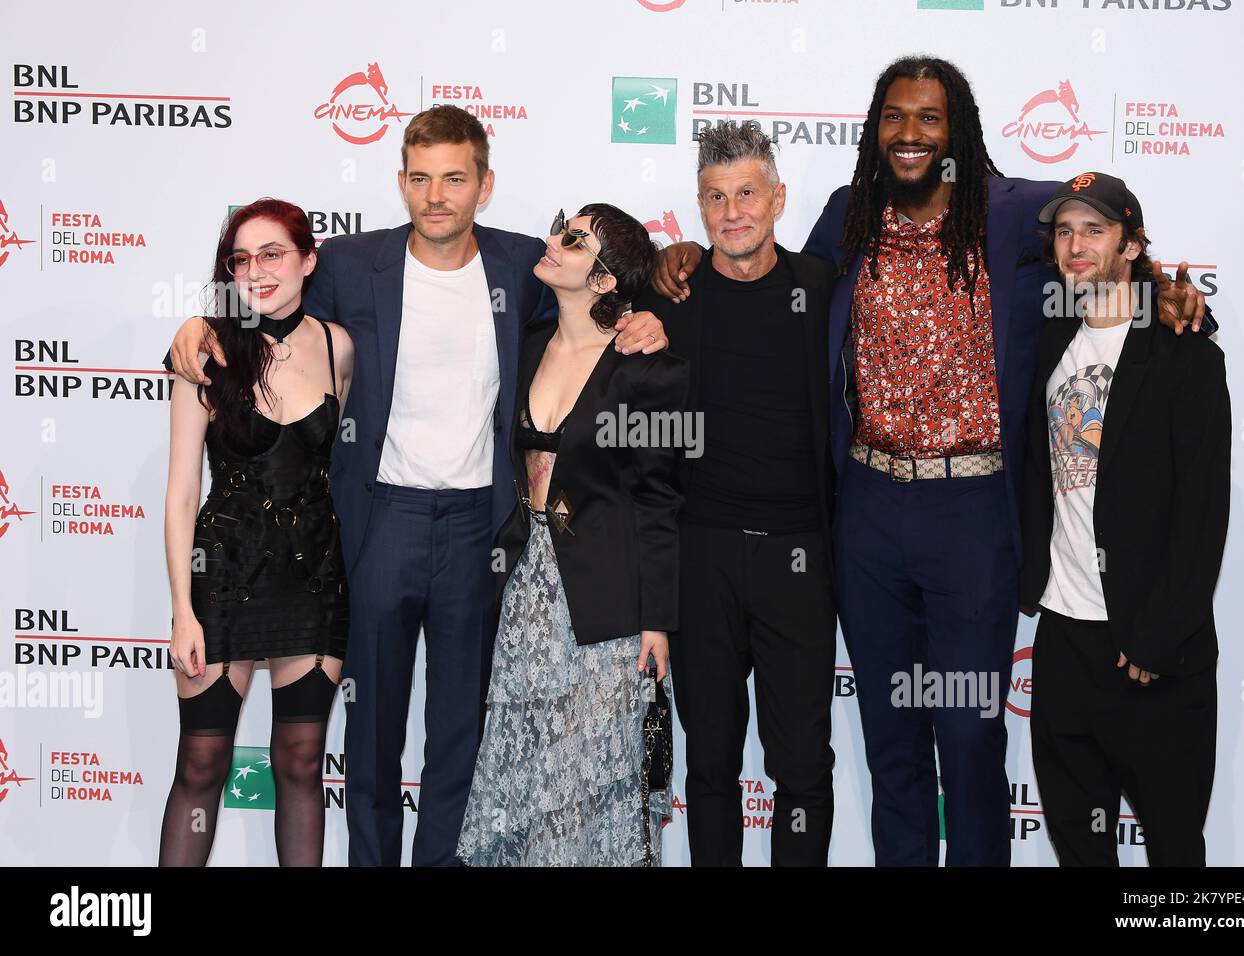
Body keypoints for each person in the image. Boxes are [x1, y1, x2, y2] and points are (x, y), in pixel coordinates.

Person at [653, 57, 1213, 866]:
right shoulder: (850, 213)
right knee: (892, 747)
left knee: (970, 744)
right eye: (893, 116)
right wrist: (683, 257)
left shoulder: (1016, 210)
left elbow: (1092, 243)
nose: (909, 134)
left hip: (973, 514)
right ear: (875, 129)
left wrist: (1159, 287)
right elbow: (772, 280)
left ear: (959, 130)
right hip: (870, 512)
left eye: (928, 117)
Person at [164, 107, 668, 866]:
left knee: (459, 735)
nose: (437, 195)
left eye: (455, 178)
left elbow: (596, 300)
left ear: (484, 186)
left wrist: (650, 315)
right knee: (369, 738)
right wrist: (198, 327)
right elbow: (263, 306)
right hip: (381, 521)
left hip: (479, 528)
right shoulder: (347, 265)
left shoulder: (520, 265)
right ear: (400, 182)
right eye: (422, 178)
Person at [456, 204, 687, 866]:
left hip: (608, 605)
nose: (552, 242)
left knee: (590, 787)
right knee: (531, 781)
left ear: (607, 279)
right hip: (528, 597)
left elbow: (659, 500)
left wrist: (656, 622)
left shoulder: (650, 368)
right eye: (561, 228)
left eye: (573, 239)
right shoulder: (525, 343)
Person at [636, 123, 837, 866]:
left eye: (747, 193)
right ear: (699, 205)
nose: (732, 212)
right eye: (715, 197)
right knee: (710, 763)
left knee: (802, 769)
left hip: (800, 558)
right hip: (703, 556)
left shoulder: (820, 287)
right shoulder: (673, 297)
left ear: (778, 198)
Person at [1020, 172, 1229, 866]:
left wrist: (1157, 640)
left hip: (1151, 652)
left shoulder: (1184, 351)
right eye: (1064, 230)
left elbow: (1202, 513)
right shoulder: (1049, 338)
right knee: (1081, 850)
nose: (1075, 245)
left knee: (1173, 853)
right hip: (1063, 643)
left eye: (1095, 229)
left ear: (1133, 243)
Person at [161, 198, 354, 867]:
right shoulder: (205, 350)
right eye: (241, 259)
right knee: (203, 762)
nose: (256, 271)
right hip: (224, 575)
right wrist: (183, 610)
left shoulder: (337, 346)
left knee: (301, 764)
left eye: (272, 253)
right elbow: (183, 490)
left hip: (313, 579)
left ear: (308, 259)